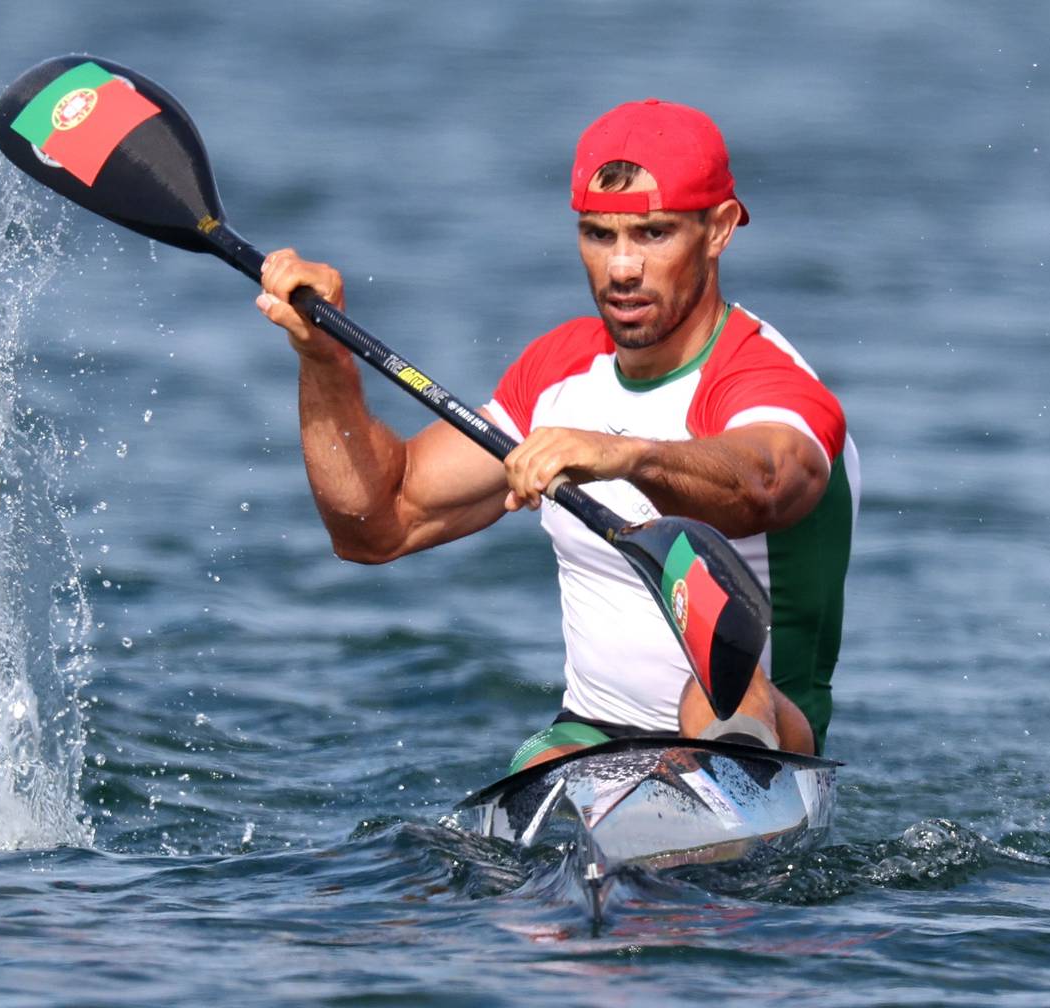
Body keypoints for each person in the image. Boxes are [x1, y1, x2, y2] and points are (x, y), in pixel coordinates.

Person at [254, 98, 858, 772]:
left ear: (718, 230)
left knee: (714, 689)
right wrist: (324, 361)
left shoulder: (765, 378)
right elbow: (376, 523)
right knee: (539, 772)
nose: (621, 269)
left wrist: (623, 457)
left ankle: (704, 814)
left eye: (653, 235)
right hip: (591, 735)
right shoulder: (558, 373)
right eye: (600, 235)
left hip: (768, 742)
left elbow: (768, 484)